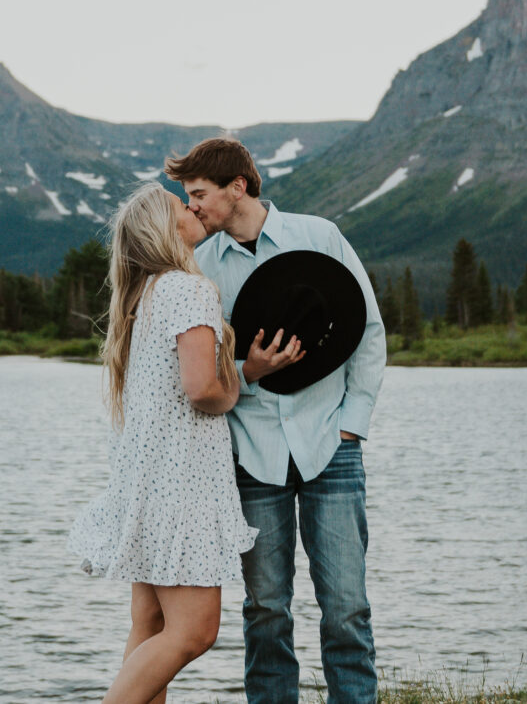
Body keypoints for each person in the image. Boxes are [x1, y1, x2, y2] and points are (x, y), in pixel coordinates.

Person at [169, 137, 386, 704]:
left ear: (237, 187)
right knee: (265, 610)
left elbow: (368, 332)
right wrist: (250, 367)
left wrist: (351, 425)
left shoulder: (320, 237)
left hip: (330, 448)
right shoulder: (202, 268)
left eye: (198, 195)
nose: (191, 207)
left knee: (346, 607)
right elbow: (201, 368)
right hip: (250, 454)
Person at [68, 182, 260, 704]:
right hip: (182, 485)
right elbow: (201, 390)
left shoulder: (142, 296)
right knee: (194, 632)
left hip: (144, 483)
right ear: (167, 227)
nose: (193, 207)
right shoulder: (187, 288)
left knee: (151, 624)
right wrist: (238, 384)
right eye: (182, 205)